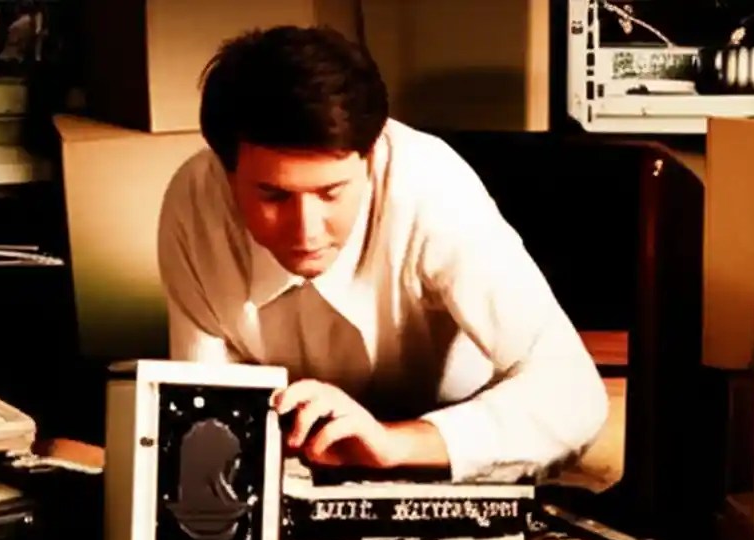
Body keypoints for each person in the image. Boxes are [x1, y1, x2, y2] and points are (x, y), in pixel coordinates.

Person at [156, 24, 608, 483]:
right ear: (226, 172)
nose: (306, 231)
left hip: (452, 457)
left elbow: (575, 396)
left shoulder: (432, 186)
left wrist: (394, 444)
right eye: (273, 196)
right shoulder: (194, 203)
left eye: (331, 192)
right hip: (296, 468)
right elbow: (204, 424)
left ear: (372, 156)